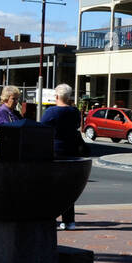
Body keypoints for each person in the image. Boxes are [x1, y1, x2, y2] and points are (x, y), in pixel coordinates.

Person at [40, 84, 83, 230]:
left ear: (56, 97)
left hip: (54, 152)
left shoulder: (51, 112)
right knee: (68, 188)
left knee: (51, 187)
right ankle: (69, 220)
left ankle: (50, 217)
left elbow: (41, 128)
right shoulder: (75, 112)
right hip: (72, 153)